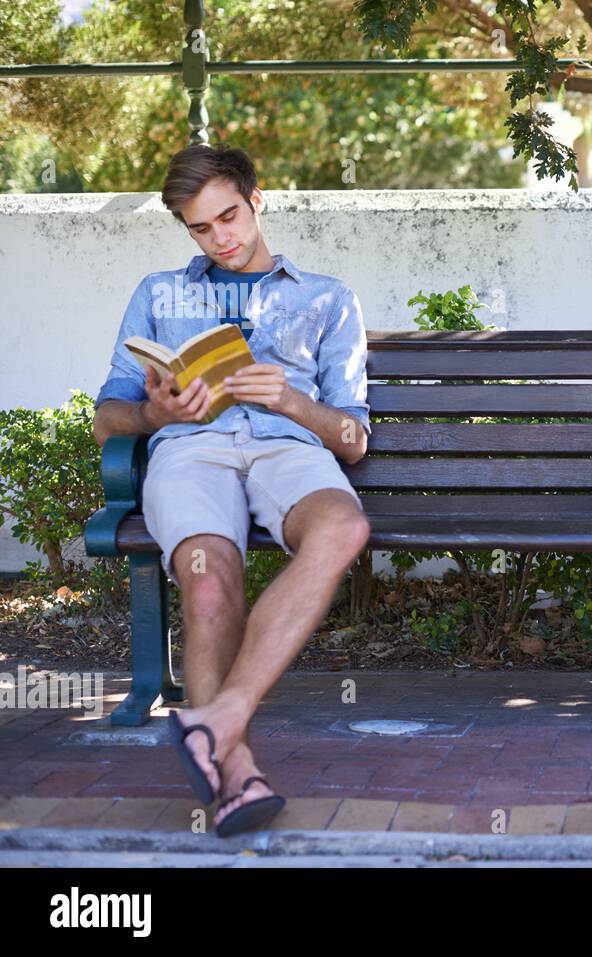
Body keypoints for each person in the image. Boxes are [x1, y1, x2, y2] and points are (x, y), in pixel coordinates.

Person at [92, 144, 372, 834]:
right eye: (201, 228)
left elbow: (355, 438)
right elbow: (108, 418)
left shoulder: (327, 297)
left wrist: (291, 401)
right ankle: (237, 769)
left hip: (289, 446)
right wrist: (157, 414)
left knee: (344, 527)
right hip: (194, 450)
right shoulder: (159, 294)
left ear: (257, 199)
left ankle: (216, 716)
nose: (221, 238)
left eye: (229, 217)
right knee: (209, 580)